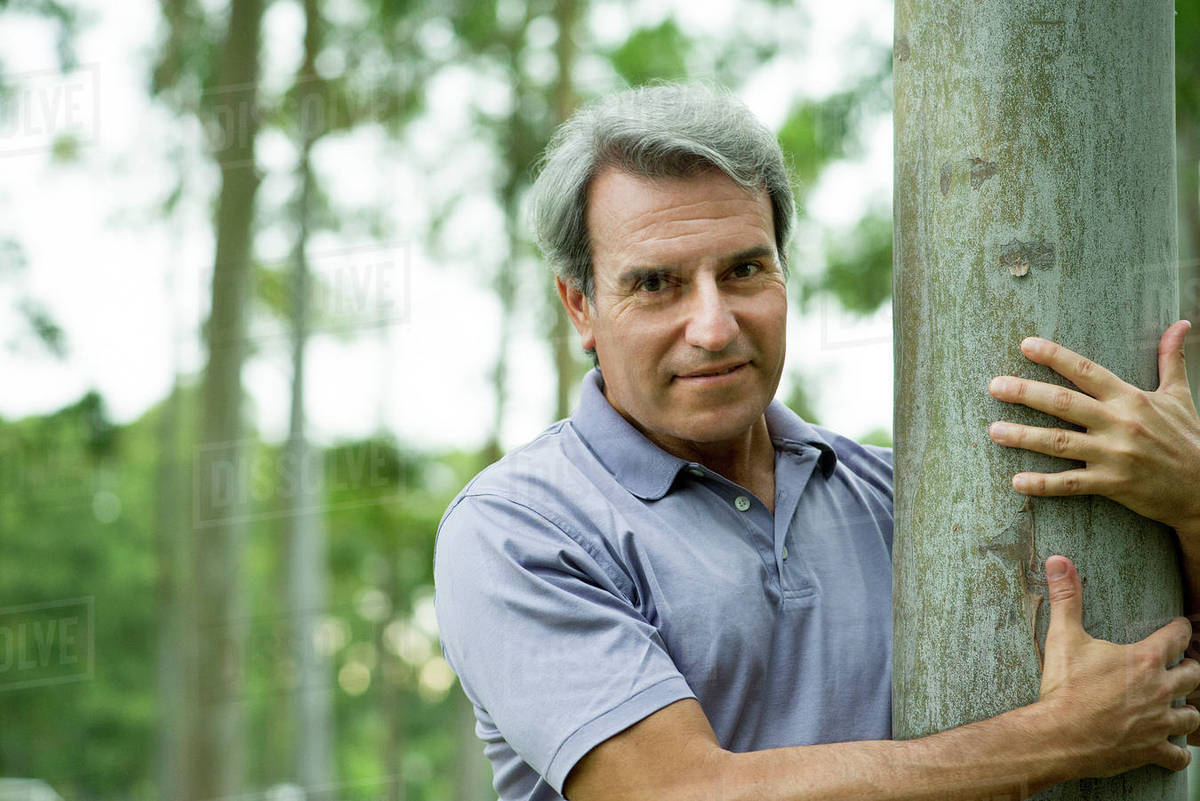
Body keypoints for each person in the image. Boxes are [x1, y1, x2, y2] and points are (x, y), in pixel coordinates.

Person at [433, 84, 1200, 801]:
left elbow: (1158, 693)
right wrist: (1060, 736)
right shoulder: (518, 527)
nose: (714, 327)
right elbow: (675, 788)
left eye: (744, 269)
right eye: (656, 284)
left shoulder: (900, 495)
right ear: (580, 305)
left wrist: (1190, 500)